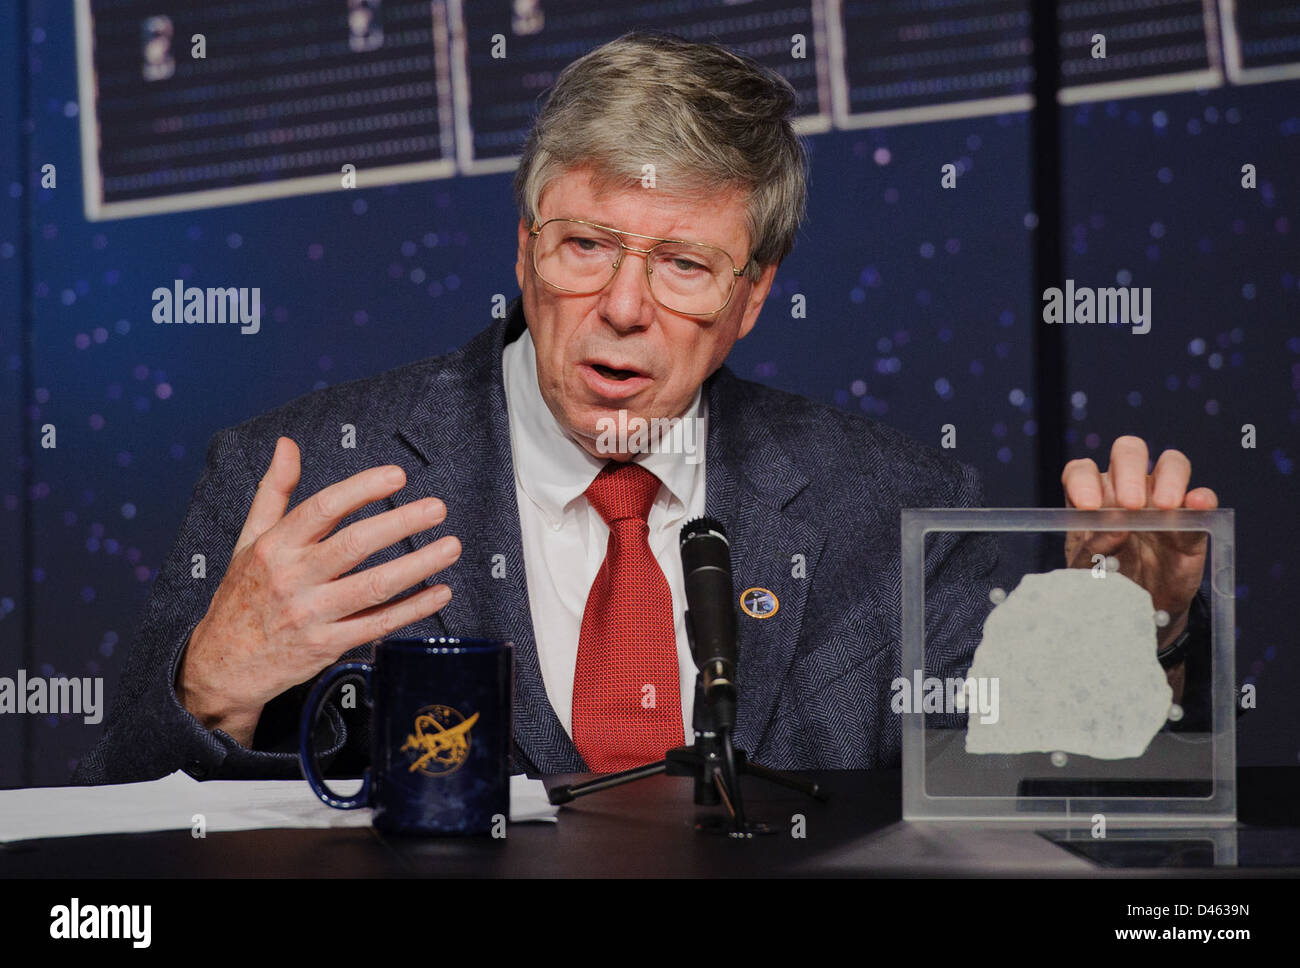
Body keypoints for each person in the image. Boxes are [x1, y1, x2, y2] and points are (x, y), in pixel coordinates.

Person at [72, 32, 1216, 784]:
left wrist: (1135, 632)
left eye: (681, 264)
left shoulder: (901, 506)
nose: (623, 306)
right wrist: (210, 682)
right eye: (586, 246)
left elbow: (1040, 796)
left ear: (751, 295)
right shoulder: (304, 475)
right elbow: (99, 859)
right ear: (525, 253)